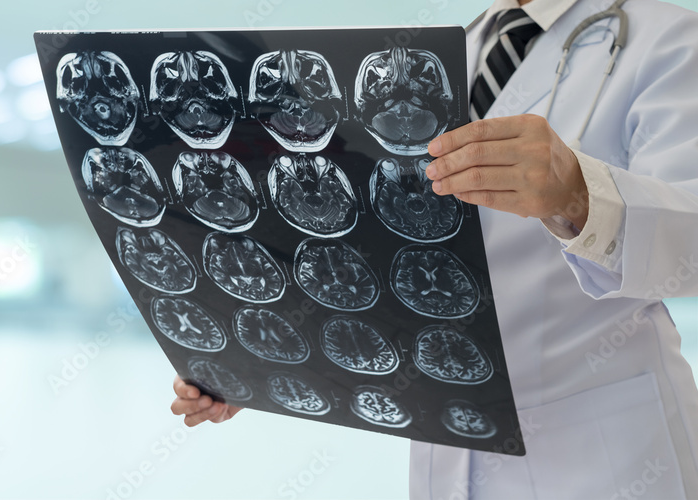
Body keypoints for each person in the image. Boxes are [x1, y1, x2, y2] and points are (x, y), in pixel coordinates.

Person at [170, 0, 698, 497]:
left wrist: (580, 193)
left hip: (606, 455)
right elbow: (371, 246)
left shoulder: (669, 42)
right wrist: (265, 362)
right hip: (443, 440)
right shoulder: (443, 53)